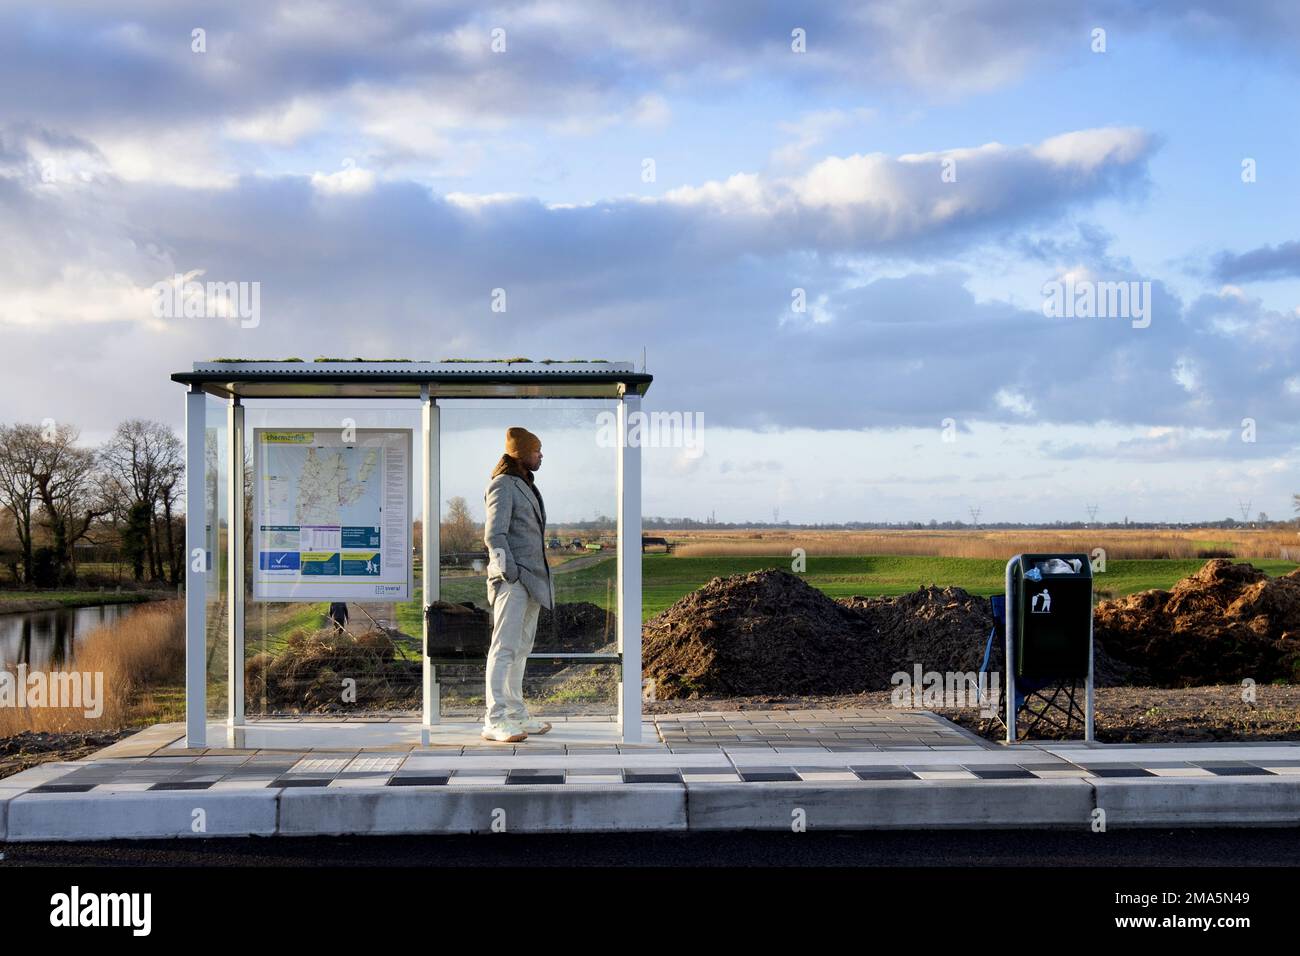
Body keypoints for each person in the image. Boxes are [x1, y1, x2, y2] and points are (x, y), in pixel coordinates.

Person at [480, 426, 555, 742]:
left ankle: (515, 713)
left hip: (532, 582)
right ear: (521, 453)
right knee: (504, 648)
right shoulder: (503, 486)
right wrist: (508, 572)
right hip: (513, 581)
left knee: (521, 649)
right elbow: (493, 535)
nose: (541, 456)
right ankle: (494, 719)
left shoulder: (522, 484)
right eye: (537, 450)